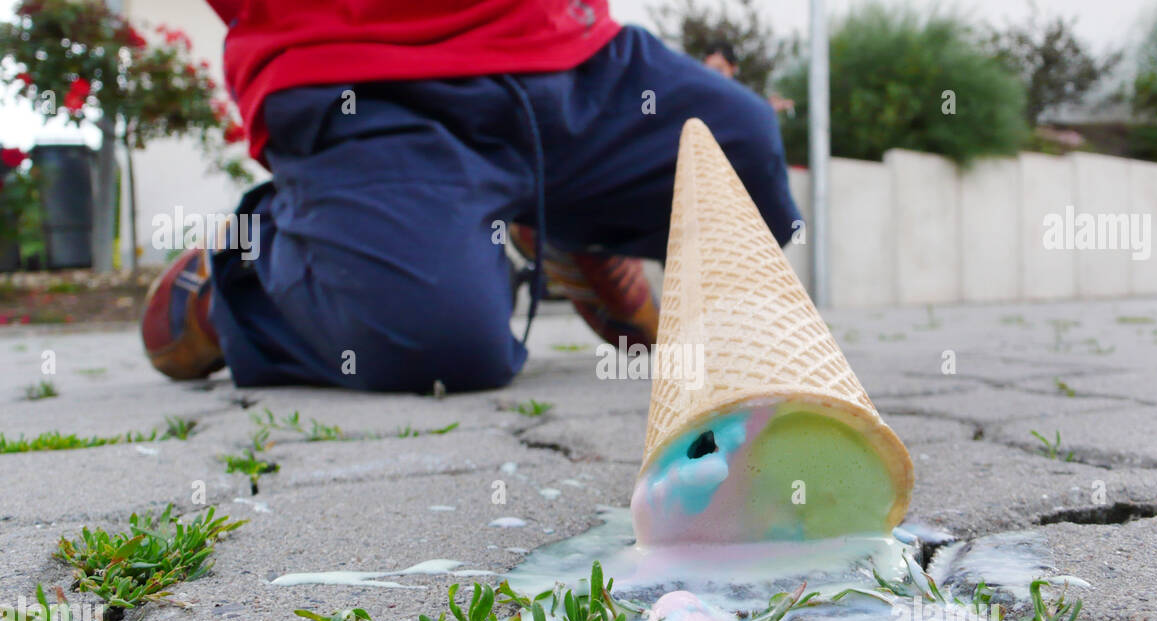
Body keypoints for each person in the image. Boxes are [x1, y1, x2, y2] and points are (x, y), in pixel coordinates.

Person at [143, 1, 801, 393]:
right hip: (362, 69)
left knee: (742, 157)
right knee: (441, 346)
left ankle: (568, 227)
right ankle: (251, 270)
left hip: (559, 46)